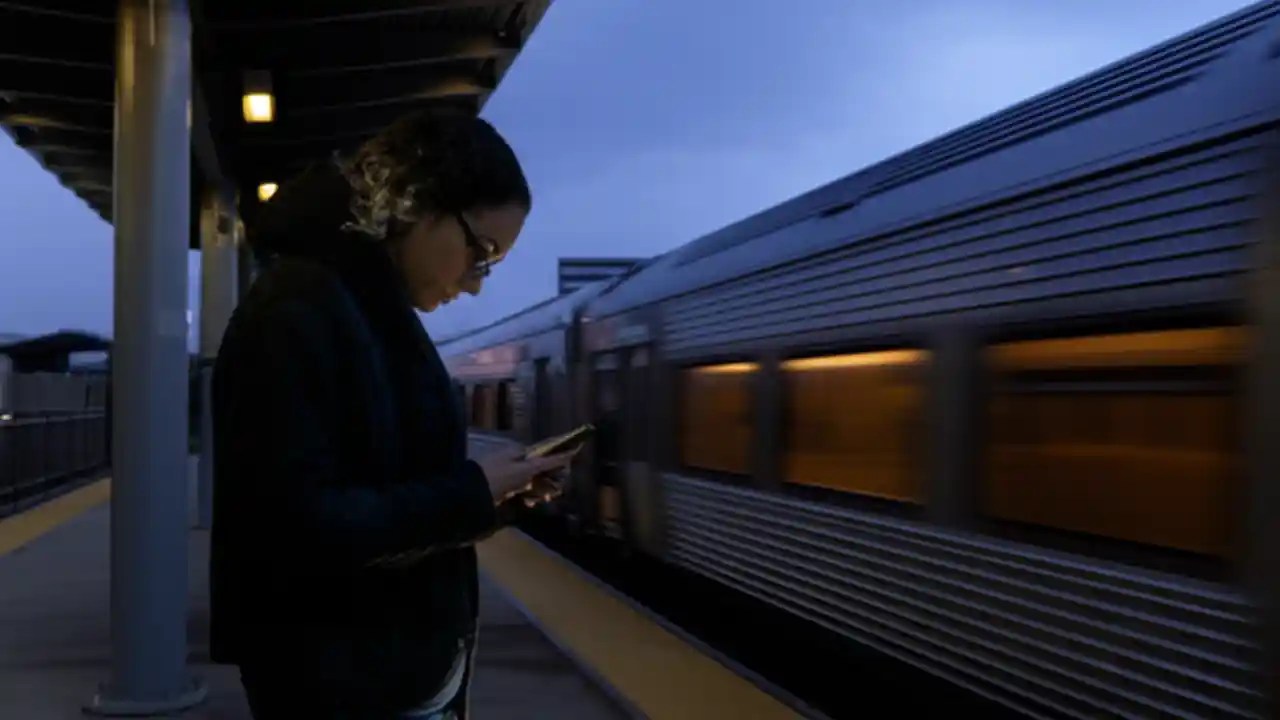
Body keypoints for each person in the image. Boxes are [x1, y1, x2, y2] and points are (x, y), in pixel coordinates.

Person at [209, 110, 575, 719]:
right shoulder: (296, 311)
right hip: (341, 684)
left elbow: (380, 493)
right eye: (480, 252)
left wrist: (490, 500)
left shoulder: (363, 308)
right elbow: (300, 529)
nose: (477, 283)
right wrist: (467, 494)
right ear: (416, 202)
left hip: (383, 676)